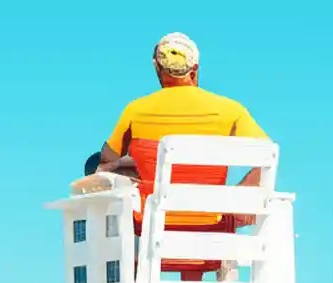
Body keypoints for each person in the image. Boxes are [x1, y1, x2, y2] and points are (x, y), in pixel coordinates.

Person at [96, 33, 268, 195]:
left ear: (156, 66)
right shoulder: (232, 110)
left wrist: (124, 163)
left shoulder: (135, 110)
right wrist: (236, 204)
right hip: (211, 222)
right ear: (194, 69)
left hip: (147, 222)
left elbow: (106, 161)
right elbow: (267, 156)